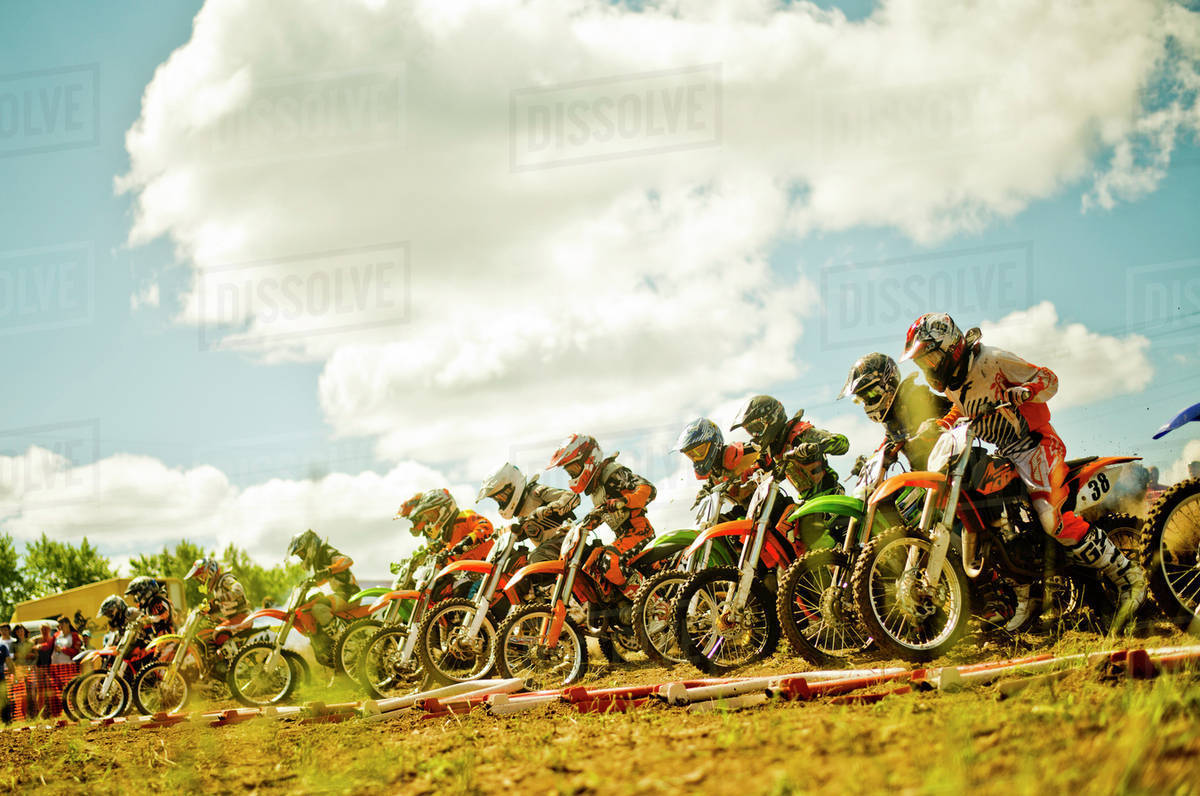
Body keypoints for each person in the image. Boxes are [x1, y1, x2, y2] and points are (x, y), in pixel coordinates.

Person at [901, 312, 1146, 631]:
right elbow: (961, 409)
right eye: (923, 362)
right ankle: (1026, 599)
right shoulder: (953, 384)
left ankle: (1130, 577)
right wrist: (942, 424)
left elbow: (1049, 379)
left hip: (1037, 444)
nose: (929, 366)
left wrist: (1026, 391)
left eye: (931, 356)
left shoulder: (993, 360)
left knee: (1050, 518)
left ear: (951, 348)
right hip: (1006, 453)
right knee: (1001, 525)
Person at [730, 395, 850, 553]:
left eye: (757, 428)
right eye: (751, 431)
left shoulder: (799, 433)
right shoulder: (774, 448)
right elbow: (759, 466)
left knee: (809, 528)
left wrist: (816, 446)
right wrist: (736, 480)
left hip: (829, 496)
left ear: (772, 419)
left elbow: (843, 443)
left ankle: (840, 559)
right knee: (787, 529)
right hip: (808, 503)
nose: (755, 435)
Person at [546, 434, 656, 590]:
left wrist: (624, 501)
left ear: (588, 459)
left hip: (639, 530)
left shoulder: (612, 472)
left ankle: (654, 604)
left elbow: (647, 489)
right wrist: (576, 528)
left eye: (573, 470)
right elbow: (601, 513)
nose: (572, 476)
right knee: (593, 563)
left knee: (609, 562)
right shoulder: (596, 487)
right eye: (569, 473)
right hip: (623, 536)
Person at [839, 352, 951, 471]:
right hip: (923, 475)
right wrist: (868, 463)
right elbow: (889, 441)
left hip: (951, 466)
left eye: (871, 394)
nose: (868, 401)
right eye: (862, 398)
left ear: (888, 382)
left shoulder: (913, 395)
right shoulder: (890, 417)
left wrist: (938, 424)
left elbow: (953, 408)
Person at [477, 462, 580, 564]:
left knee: (536, 557)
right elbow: (530, 530)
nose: (502, 501)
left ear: (513, 483)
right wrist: (506, 532)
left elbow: (572, 496)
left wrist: (550, 508)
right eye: (498, 499)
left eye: (502, 495)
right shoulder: (520, 512)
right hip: (552, 551)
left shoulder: (536, 492)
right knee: (517, 563)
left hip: (567, 541)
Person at [286, 529, 360, 661]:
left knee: (319, 608)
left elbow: (347, 561)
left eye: (301, 552)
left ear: (309, 546)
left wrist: (329, 570)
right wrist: (311, 583)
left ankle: (347, 643)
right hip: (341, 594)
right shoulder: (318, 560)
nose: (302, 557)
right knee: (311, 603)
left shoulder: (326, 552)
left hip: (349, 594)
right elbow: (324, 579)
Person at [673, 418, 761, 519]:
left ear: (714, 443)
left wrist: (756, 467)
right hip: (745, 510)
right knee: (718, 526)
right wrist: (704, 492)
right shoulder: (713, 471)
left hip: (767, 502)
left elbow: (765, 453)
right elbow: (710, 484)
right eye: (691, 455)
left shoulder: (739, 454)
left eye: (699, 451)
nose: (696, 458)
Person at [400, 489, 496, 564]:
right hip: (468, 573)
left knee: (472, 590)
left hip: (487, 568)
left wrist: (467, 541)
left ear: (444, 509)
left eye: (432, 516)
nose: (430, 520)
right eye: (428, 517)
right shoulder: (448, 534)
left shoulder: (464, 516)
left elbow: (485, 526)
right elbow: (450, 554)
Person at [185, 557, 251, 647]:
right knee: (207, 630)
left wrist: (218, 599)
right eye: (199, 579)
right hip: (232, 618)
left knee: (218, 633)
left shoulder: (225, 579)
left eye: (202, 577)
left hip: (243, 617)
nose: (201, 581)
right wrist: (209, 609)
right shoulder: (217, 588)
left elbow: (238, 590)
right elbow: (222, 605)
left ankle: (232, 658)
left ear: (210, 572)